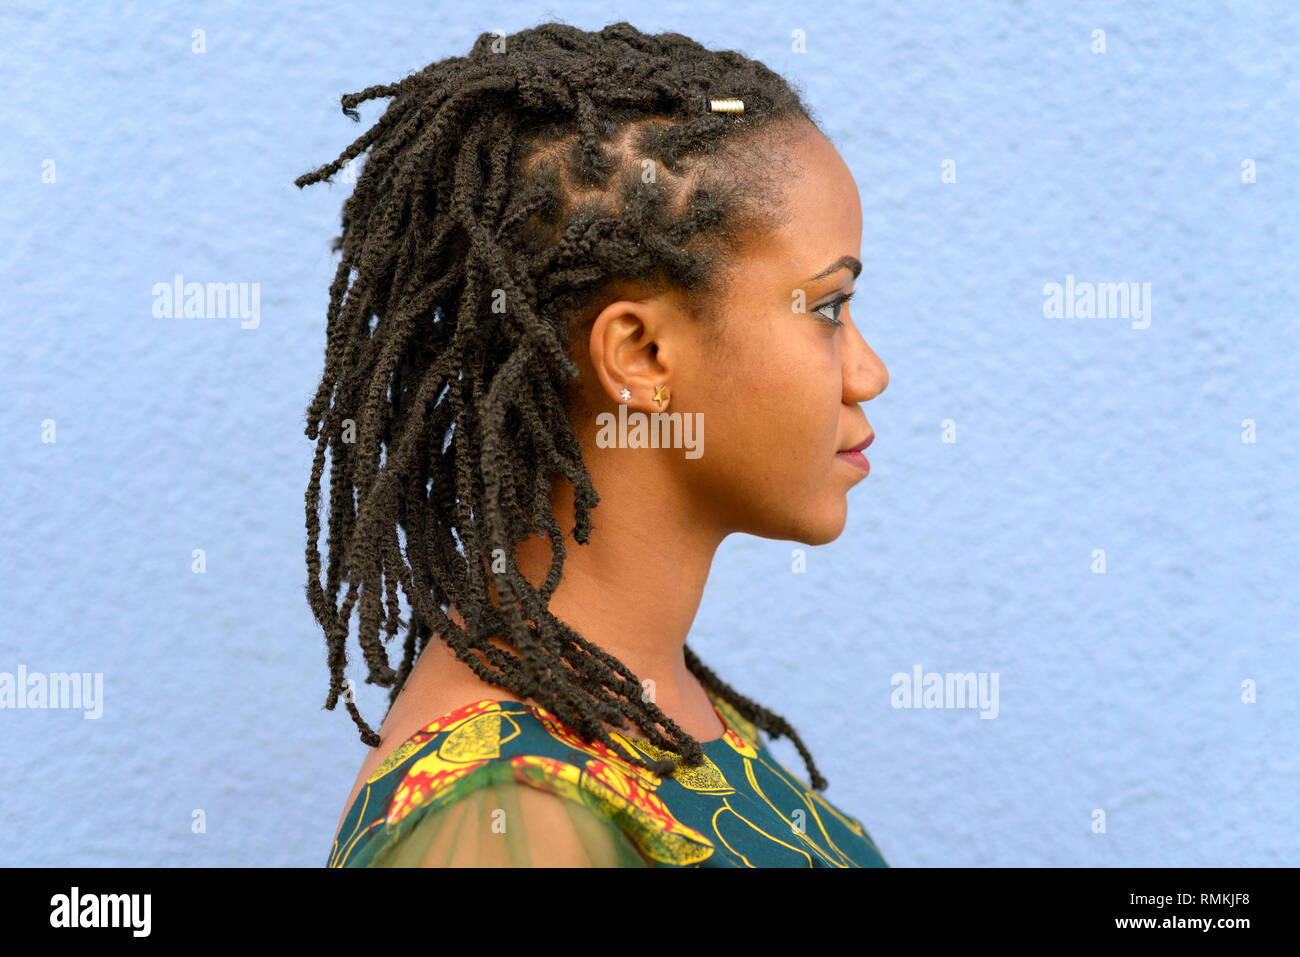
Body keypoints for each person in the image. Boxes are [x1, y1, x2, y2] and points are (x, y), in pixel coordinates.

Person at [297, 21, 891, 867]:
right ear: (641, 355)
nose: (868, 372)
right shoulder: (512, 818)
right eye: (828, 308)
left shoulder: (652, 696)